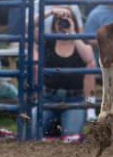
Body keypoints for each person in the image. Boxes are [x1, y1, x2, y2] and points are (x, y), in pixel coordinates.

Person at [41, 10, 95, 142]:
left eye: (67, 19)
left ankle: (87, 112)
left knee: (70, 137)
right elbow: (29, 26)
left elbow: (89, 59)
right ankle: (53, 131)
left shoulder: (80, 43)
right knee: (34, 133)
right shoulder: (48, 41)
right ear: (53, 24)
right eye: (59, 20)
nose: (63, 22)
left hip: (74, 100)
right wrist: (51, 12)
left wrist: (71, 32)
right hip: (49, 99)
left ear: (74, 22)